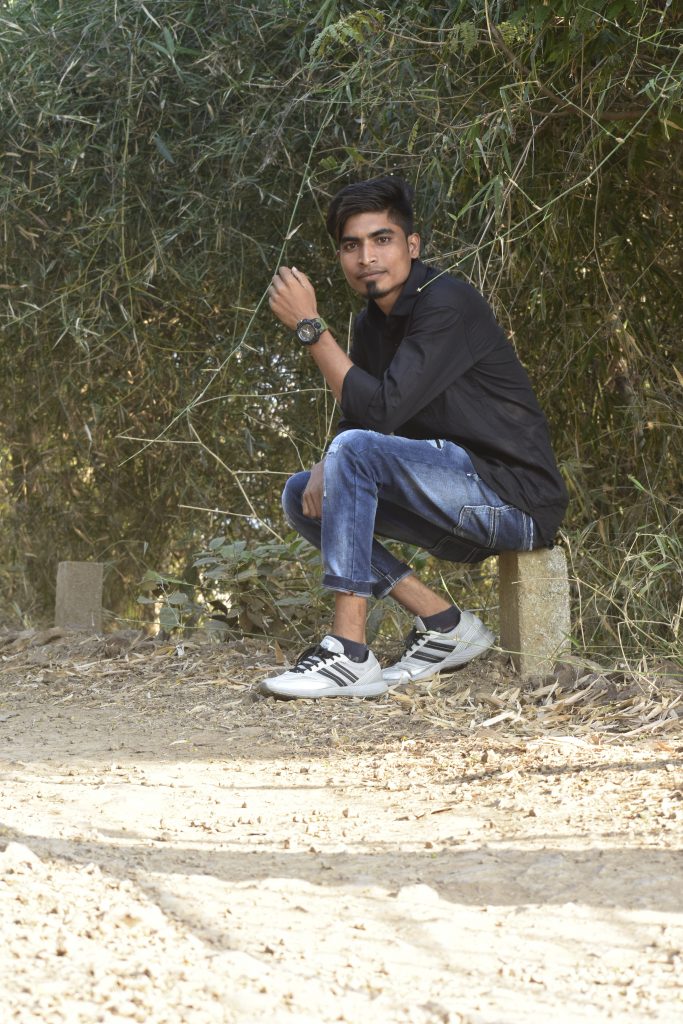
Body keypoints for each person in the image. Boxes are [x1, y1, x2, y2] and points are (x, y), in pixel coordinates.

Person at [262, 176, 567, 699]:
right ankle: (445, 624)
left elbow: (380, 411)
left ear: (412, 246)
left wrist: (311, 327)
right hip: (455, 499)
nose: (367, 257)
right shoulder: (370, 324)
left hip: (513, 501)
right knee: (303, 495)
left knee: (352, 454)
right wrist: (324, 463)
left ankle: (348, 652)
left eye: (382, 240)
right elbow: (364, 415)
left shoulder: (446, 303)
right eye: (352, 245)